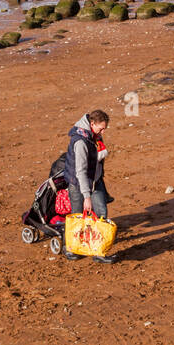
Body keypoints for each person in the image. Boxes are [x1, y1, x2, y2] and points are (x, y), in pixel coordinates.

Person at [58, 110, 115, 263]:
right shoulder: (81, 142)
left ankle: (99, 251)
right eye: (101, 128)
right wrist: (87, 196)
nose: (103, 131)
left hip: (95, 180)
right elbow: (81, 172)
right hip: (78, 183)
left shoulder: (93, 136)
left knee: (102, 212)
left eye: (105, 128)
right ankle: (70, 248)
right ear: (92, 124)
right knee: (77, 216)